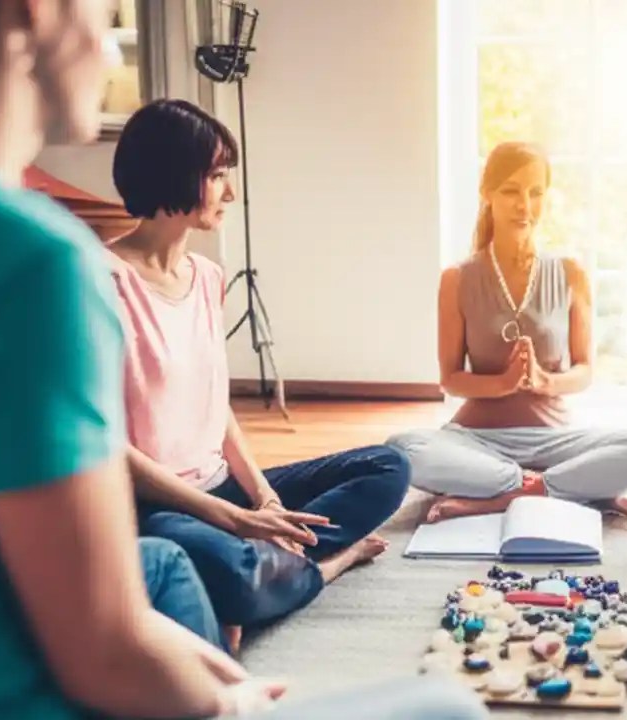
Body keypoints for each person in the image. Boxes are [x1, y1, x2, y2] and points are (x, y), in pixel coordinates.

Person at [0, 2, 486, 718]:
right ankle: (310, 567)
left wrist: (258, 501)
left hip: (24, 612)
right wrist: (235, 705)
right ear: (36, 13)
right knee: (447, 709)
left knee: (195, 555)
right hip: (25, 675)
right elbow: (103, 652)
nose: (112, 55)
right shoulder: (33, 259)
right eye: (107, 19)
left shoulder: (171, 272)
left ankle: (279, 563)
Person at [107, 98, 411, 645]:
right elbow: (105, 445)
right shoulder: (103, 281)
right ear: (173, 173)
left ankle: (273, 562)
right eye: (217, 175)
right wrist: (234, 520)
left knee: (388, 466)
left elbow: (213, 402)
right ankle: (326, 565)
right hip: (159, 507)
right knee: (238, 575)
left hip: (222, 485)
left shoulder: (205, 276)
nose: (229, 192)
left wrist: (265, 499)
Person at [386, 141, 627, 524]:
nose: (525, 205)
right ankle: (569, 490)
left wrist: (544, 381)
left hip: (557, 440)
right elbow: (451, 379)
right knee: (401, 449)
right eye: (510, 191)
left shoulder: (570, 272)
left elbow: (585, 370)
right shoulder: (457, 279)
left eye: (536, 192)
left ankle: (499, 496)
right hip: (477, 441)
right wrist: (503, 383)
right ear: (487, 194)